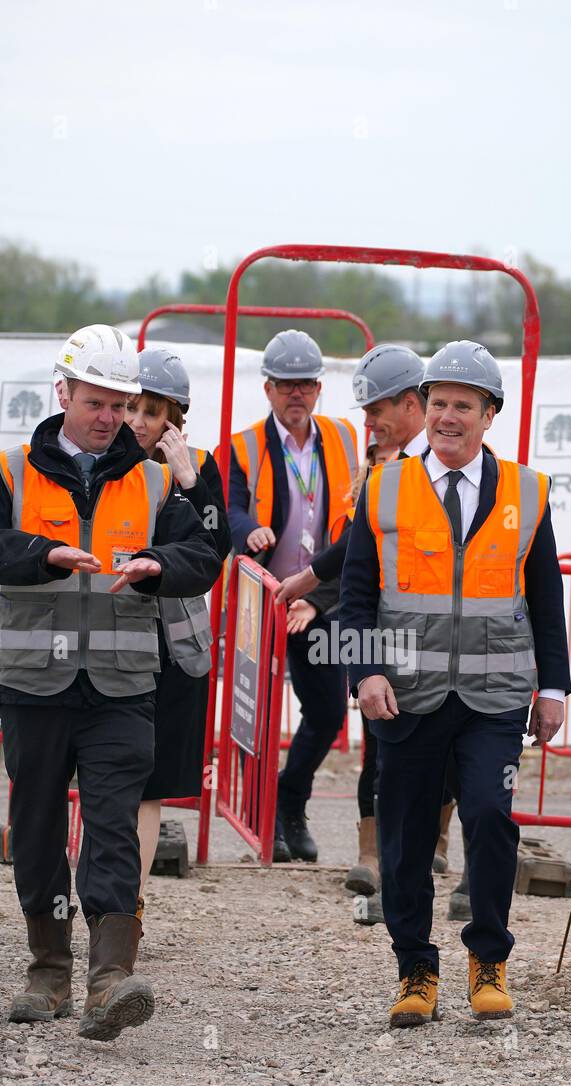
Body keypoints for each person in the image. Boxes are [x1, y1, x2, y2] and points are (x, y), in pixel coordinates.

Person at [0, 325, 223, 1041]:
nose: (110, 417)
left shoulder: (155, 479)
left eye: (120, 405)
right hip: (36, 686)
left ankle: (108, 980)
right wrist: (42, 554)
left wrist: (161, 563)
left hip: (122, 688)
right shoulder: (10, 472)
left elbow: (203, 556)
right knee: (37, 828)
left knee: (112, 826)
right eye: (96, 401)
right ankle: (48, 970)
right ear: (63, 393)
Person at [339, 340, 571, 1027]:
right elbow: (355, 595)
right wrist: (364, 672)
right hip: (405, 698)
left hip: (493, 700)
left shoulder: (527, 493)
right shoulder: (382, 488)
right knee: (405, 836)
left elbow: (545, 597)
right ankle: (414, 969)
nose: (446, 416)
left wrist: (552, 687)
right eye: (436, 403)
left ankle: (488, 960)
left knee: (488, 816)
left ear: (488, 415)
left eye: (461, 405)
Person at [275, 343, 428, 895]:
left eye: (376, 410)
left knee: (440, 747)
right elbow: (356, 545)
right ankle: (375, 856)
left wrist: (311, 583)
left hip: (434, 633)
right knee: (380, 736)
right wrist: (312, 582)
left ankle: (426, 849)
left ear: (411, 404)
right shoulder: (383, 473)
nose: (368, 423)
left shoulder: (434, 471)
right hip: (382, 626)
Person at [223, 329, 357, 864]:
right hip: (262, 597)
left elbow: (362, 513)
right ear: (269, 389)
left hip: (319, 599)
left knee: (327, 712)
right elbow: (227, 507)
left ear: (319, 389)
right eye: (285, 384)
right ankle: (260, 822)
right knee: (249, 712)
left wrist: (322, 592)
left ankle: (289, 800)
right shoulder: (243, 446)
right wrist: (247, 530)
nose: (295, 394)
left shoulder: (344, 439)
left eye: (305, 384)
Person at [126, 348, 231, 917]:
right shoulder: (104, 465)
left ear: (175, 417)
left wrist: (189, 478)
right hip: (111, 640)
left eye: (153, 411)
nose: (139, 422)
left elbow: (216, 551)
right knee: (109, 778)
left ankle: (129, 905)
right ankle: (102, 895)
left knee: (150, 783)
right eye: (133, 408)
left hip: (173, 648)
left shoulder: (198, 467)